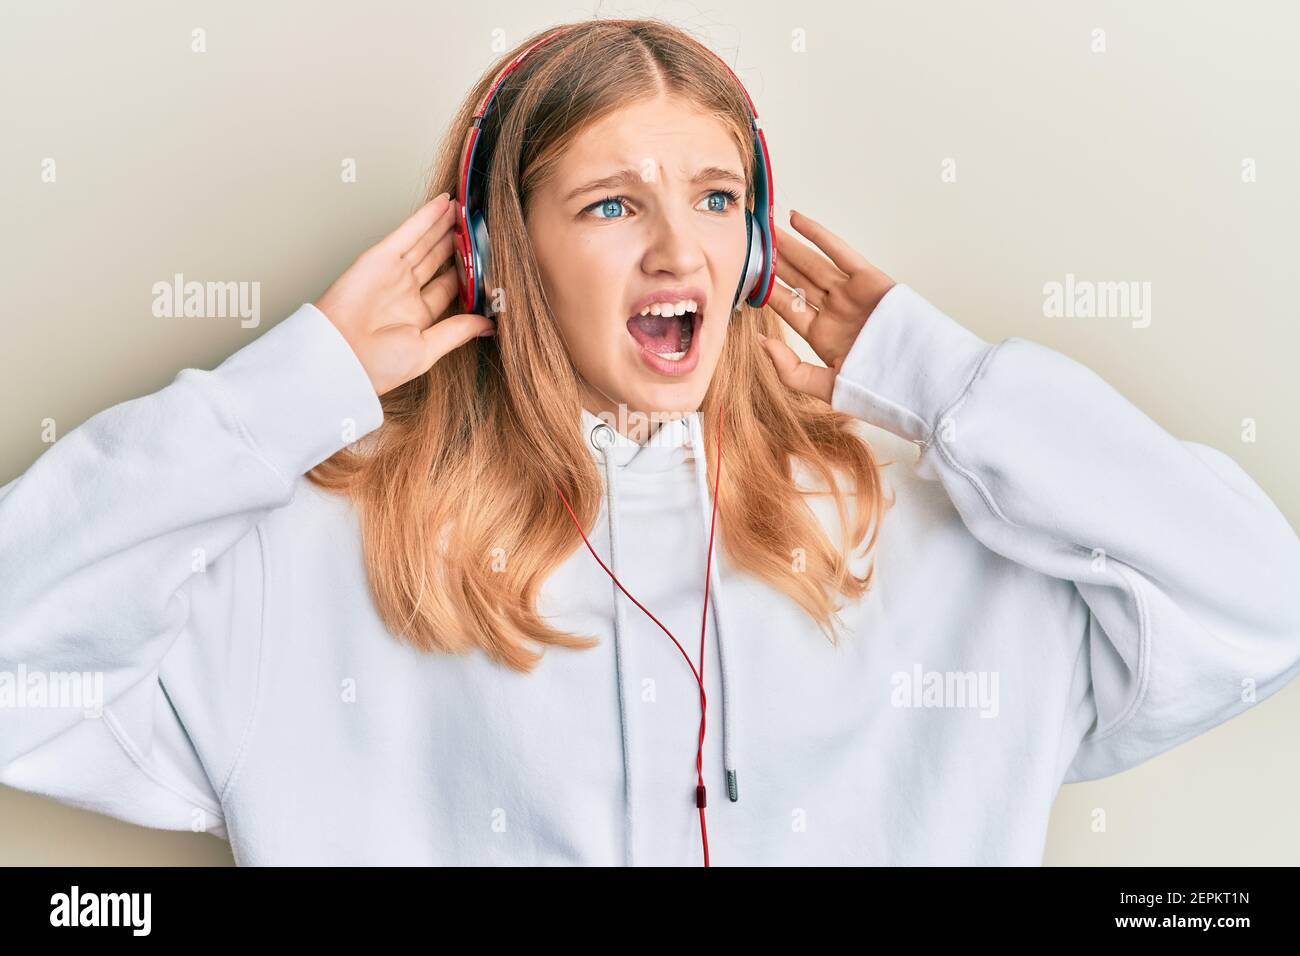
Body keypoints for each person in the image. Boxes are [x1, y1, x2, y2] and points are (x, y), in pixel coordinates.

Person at [2, 18, 1298, 867]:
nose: (681, 249)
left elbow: (1259, 603)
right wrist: (296, 388)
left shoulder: (933, 543)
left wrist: (937, 375)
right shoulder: (302, 570)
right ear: (492, 251)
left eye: (717, 198)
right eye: (613, 202)